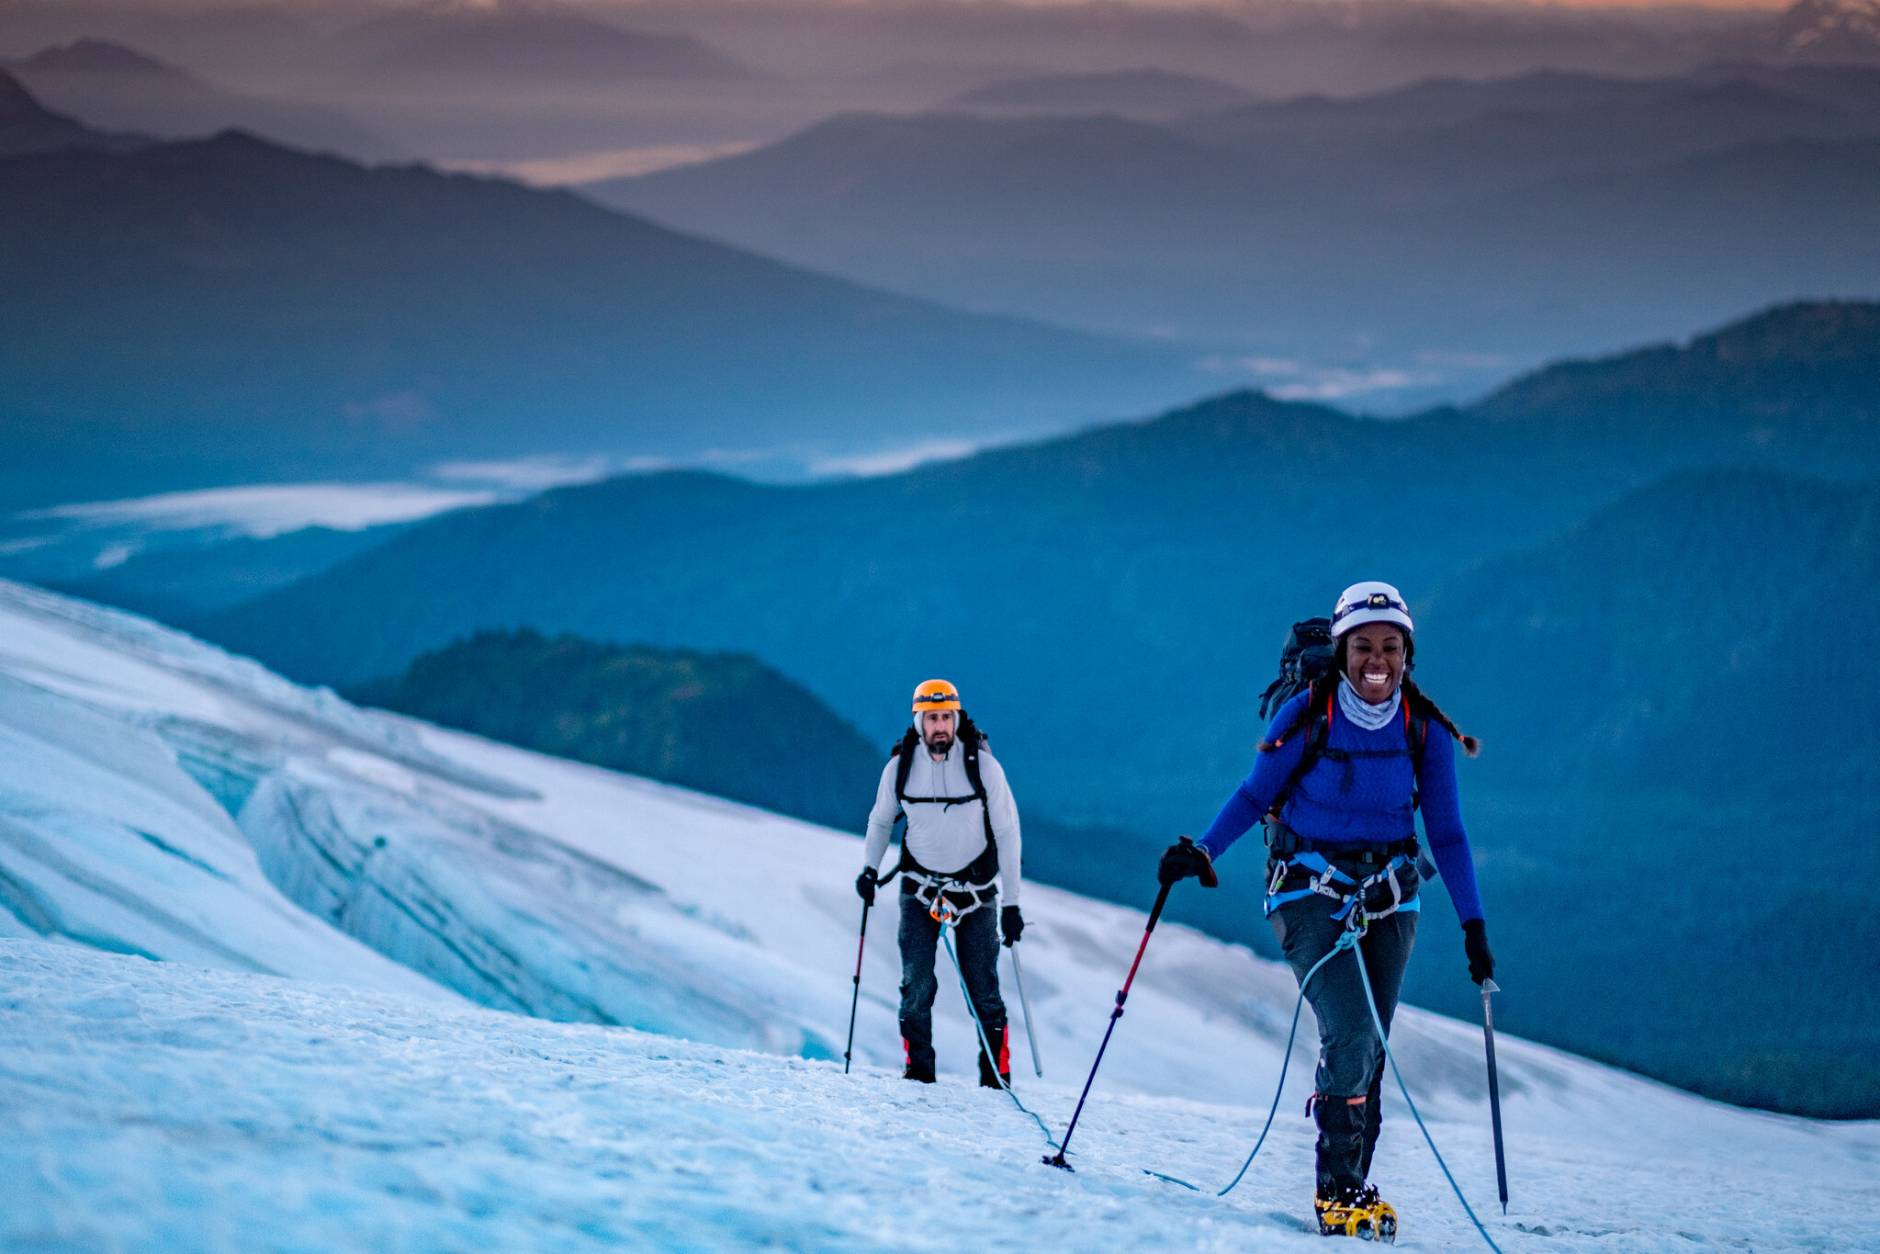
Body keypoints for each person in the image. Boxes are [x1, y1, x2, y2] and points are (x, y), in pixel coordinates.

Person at [1157, 581, 1494, 1239]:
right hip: (1304, 892)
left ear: (1407, 653)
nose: (1378, 660)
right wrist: (1203, 851)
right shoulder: (1306, 716)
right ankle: (1336, 1193)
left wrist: (1473, 926)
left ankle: (1357, 1185)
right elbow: (1255, 797)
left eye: (1390, 647)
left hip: (1391, 902)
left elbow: (1448, 835)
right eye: (1364, 647)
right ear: (1341, 651)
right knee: (1351, 1032)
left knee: (1371, 1051)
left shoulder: (1425, 730)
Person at [856, 679, 1024, 1088]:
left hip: (976, 890)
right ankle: (918, 1073)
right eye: (932, 718)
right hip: (919, 887)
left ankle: (995, 1078)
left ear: (956, 718)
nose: (940, 727)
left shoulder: (982, 766)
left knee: (983, 988)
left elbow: (1007, 830)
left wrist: (1013, 904)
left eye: (946, 717)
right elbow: (880, 821)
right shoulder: (900, 768)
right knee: (917, 982)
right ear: (918, 722)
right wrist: (869, 870)